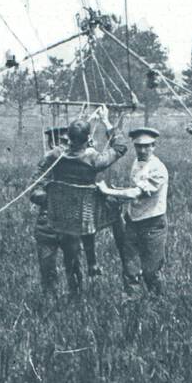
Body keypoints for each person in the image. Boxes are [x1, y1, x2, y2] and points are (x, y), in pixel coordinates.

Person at [31, 114, 127, 299]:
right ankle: (74, 298)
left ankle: (54, 302)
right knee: (72, 264)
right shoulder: (94, 160)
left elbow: (34, 189)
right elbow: (120, 147)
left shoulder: (55, 156)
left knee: (50, 268)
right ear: (87, 139)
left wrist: (51, 199)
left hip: (49, 221)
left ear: (68, 138)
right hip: (74, 224)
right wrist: (107, 123)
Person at [106, 126, 169, 296]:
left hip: (153, 224)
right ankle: (132, 302)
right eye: (139, 146)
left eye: (147, 146)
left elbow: (135, 192)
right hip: (133, 221)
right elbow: (133, 189)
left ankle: (158, 303)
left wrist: (108, 191)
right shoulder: (136, 163)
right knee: (130, 266)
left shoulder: (158, 168)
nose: (142, 150)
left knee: (151, 271)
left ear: (153, 146)